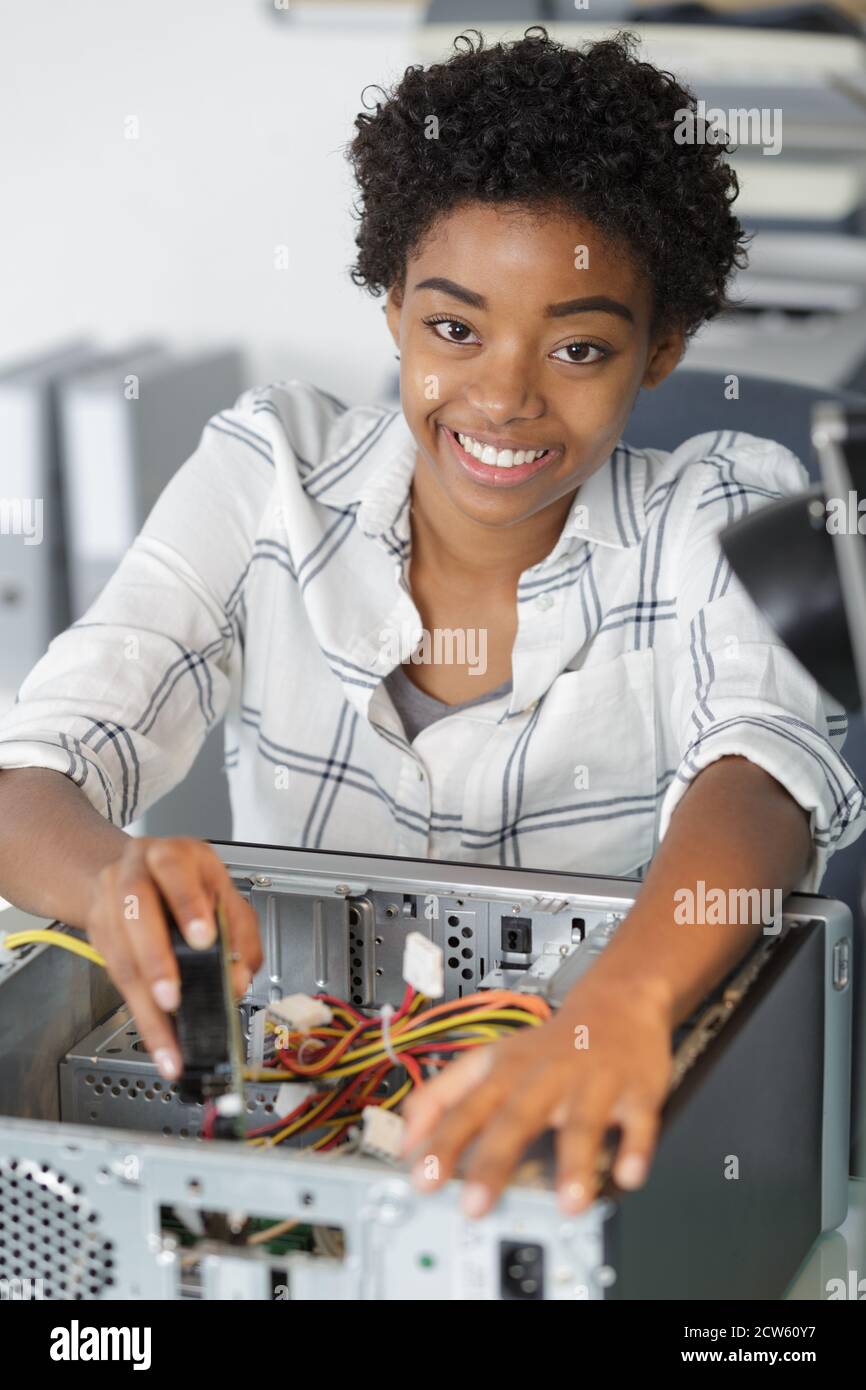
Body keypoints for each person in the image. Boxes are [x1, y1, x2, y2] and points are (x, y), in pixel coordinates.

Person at [0, 28, 862, 1220]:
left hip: (577, 1106)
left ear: (658, 348)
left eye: (577, 347)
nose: (504, 397)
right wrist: (108, 888)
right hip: (309, 1108)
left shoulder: (720, 507)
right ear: (393, 303)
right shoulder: (268, 473)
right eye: (453, 328)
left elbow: (760, 775)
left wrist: (613, 1008)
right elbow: (29, 769)